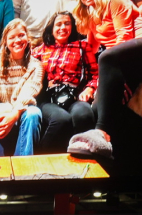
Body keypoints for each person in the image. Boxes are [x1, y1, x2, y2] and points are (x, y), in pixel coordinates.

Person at [68, 0, 142, 173]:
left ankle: (101, 133)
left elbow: (124, 36)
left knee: (106, 58)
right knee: (102, 105)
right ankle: (119, 166)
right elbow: (91, 48)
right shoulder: (92, 14)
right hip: (124, 59)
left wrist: (113, 74)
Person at [32, 12, 98, 153]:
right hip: (49, 98)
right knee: (61, 119)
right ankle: (39, 157)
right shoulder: (42, 49)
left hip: (74, 96)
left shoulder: (82, 46)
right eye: (58, 24)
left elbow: (96, 74)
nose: (63, 27)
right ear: (51, 29)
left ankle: (82, 158)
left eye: (67, 24)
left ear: (72, 27)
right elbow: (22, 61)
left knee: (84, 114)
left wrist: (89, 89)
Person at [0, 20, 43, 157]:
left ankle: (23, 165)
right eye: (12, 37)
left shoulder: (36, 66)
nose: (17, 40)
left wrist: (13, 115)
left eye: (21, 35)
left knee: (33, 113)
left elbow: (27, 95)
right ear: (6, 42)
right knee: (1, 110)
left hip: (23, 110)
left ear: (27, 38)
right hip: (1, 111)